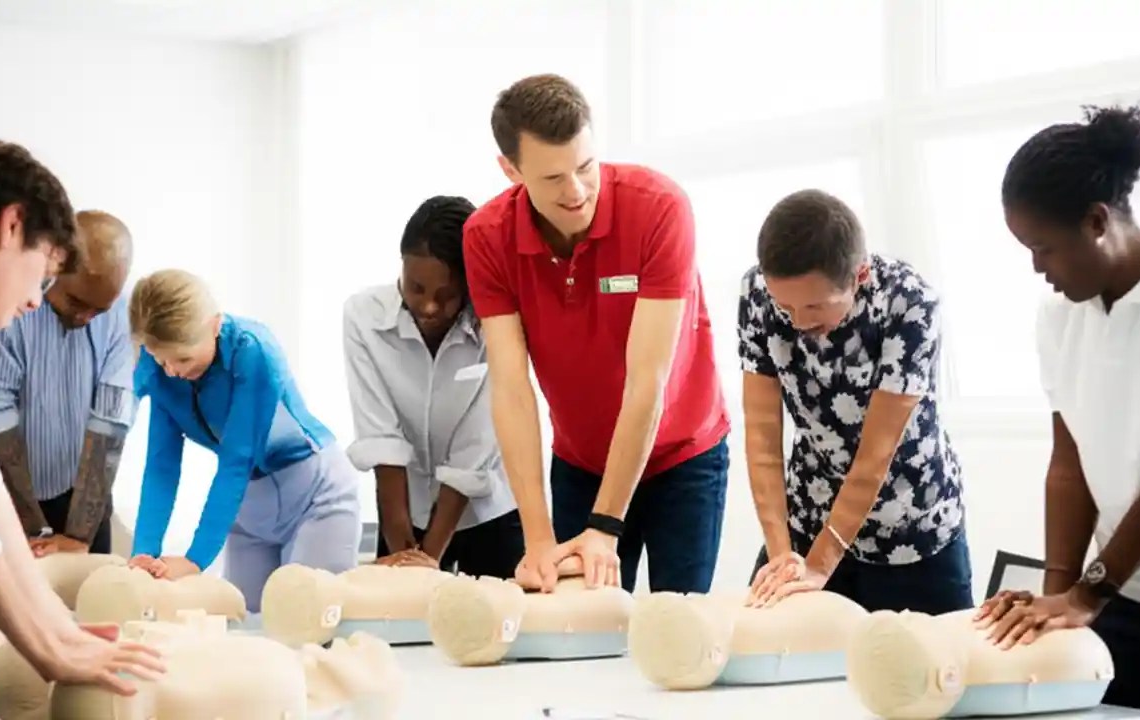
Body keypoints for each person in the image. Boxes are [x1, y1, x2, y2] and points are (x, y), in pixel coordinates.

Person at [0, 139, 161, 695]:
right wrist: (45, 650)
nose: (34, 301)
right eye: (42, 275)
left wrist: (58, 627)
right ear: (11, 226)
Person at [463, 74, 730, 594]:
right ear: (510, 170)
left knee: (676, 631)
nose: (577, 192)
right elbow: (512, 390)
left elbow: (646, 381)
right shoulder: (487, 237)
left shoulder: (658, 208)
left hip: (683, 452)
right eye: (553, 178)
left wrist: (605, 526)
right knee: (580, 626)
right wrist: (537, 539)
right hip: (581, 460)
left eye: (586, 167)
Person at [975, 105, 1140, 715]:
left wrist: (1088, 593)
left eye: (1044, 248)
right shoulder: (1060, 317)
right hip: (1122, 595)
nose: (1038, 268)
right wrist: (1058, 601)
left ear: (1097, 221)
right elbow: (1068, 463)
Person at [739, 189, 972, 614]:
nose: (798, 321)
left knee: (927, 669)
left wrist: (822, 564)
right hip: (809, 512)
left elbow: (876, 456)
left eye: (814, 305)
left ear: (859, 276)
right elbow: (760, 435)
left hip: (910, 525)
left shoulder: (909, 304)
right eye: (784, 305)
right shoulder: (757, 293)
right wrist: (782, 557)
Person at [127, 269, 361, 611]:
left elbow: (236, 459)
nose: (171, 371)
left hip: (315, 495)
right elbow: (161, 465)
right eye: (161, 358)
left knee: (302, 619)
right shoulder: (158, 369)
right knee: (241, 624)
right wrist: (143, 555)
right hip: (249, 506)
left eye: (183, 358)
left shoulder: (254, 351)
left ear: (215, 324)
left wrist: (195, 560)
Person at [344, 195, 523, 578]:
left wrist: (429, 559)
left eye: (446, 295)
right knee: (399, 622)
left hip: (489, 511)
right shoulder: (363, 318)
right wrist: (406, 556)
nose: (428, 306)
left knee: (497, 630)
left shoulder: (498, 325)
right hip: (402, 512)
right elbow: (380, 435)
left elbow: (473, 449)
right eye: (416, 287)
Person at [0, 210, 136, 557]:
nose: (86, 318)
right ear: (55, 265)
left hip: (84, 496)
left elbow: (109, 424)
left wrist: (79, 537)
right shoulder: (13, 305)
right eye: (77, 303)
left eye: (99, 310)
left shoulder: (120, 313)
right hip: (9, 495)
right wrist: (34, 530)